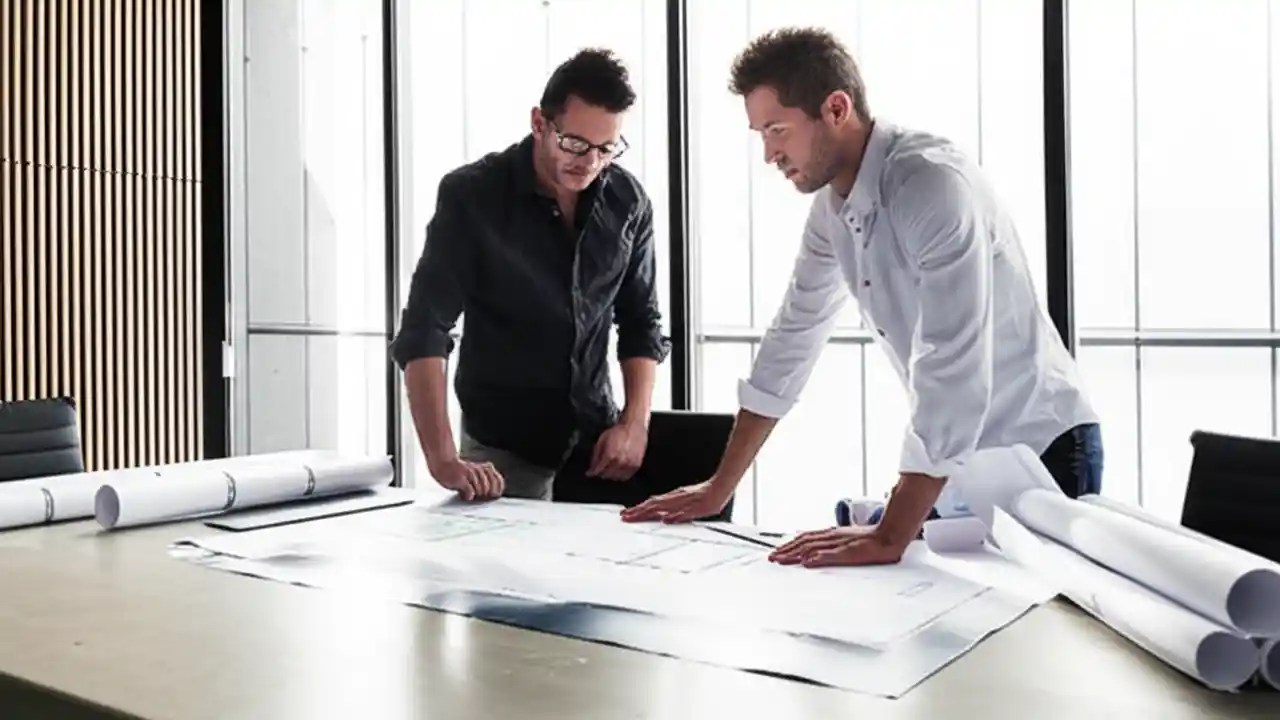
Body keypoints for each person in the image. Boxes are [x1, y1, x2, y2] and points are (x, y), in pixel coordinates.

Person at [622, 28, 1102, 567]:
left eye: (777, 129)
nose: (769, 154)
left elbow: (952, 368)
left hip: (1040, 450)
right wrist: (718, 488)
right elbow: (791, 340)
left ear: (835, 108)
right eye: (760, 134)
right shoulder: (831, 211)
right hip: (957, 464)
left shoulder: (931, 186)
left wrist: (890, 533)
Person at [391, 49, 669, 503]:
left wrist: (634, 424)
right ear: (540, 123)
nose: (590, 162)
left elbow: (641, 322)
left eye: (605, 149)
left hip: (597, 449)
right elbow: (425, 331)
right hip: (501, 453)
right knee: (499, 576)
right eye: (576, 144)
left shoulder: (628, 201)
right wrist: (441, 459)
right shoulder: (472, 196)